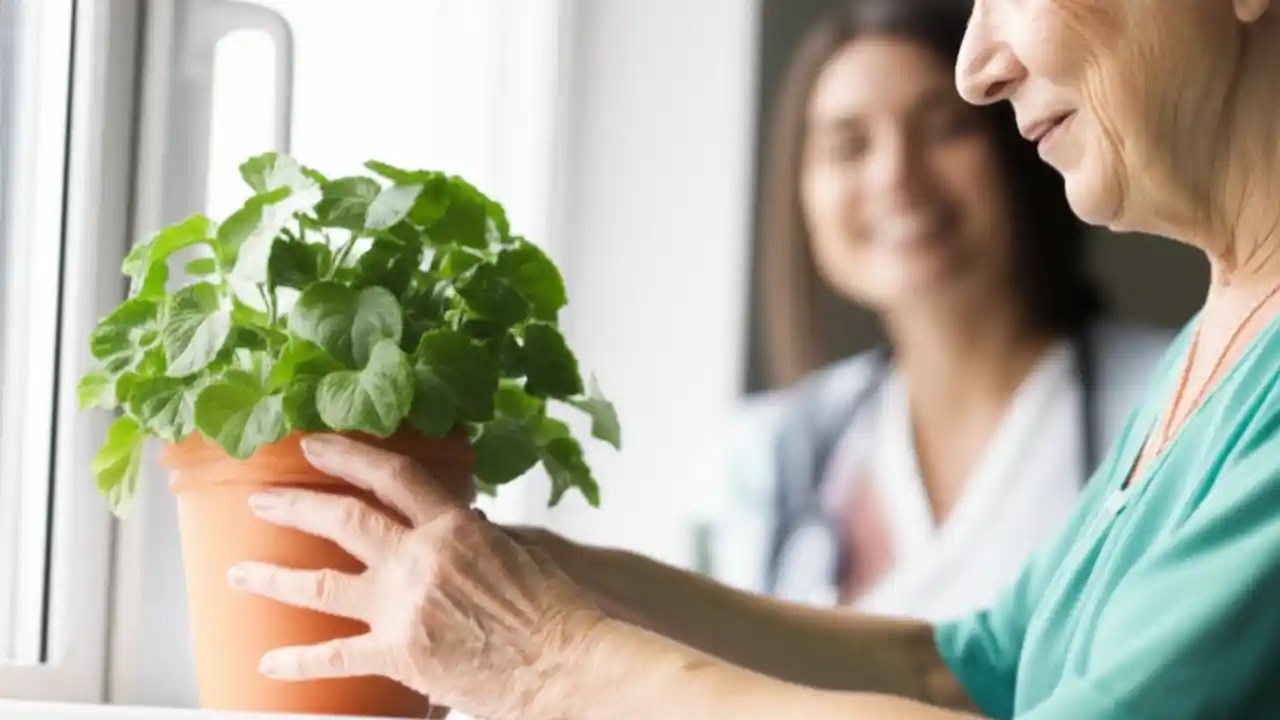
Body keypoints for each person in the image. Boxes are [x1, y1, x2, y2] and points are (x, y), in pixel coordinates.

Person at [227, 1, 1280, 717]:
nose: (976, 65)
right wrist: (557, 582)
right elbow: (957, 670)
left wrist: (553, 659)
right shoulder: (1212, 344)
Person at [709, 0, 1170, 618]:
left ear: (1018, 147)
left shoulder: (1174, 404)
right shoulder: (765, 457)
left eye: (944, 128)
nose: (896, 176)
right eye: (849, 146)